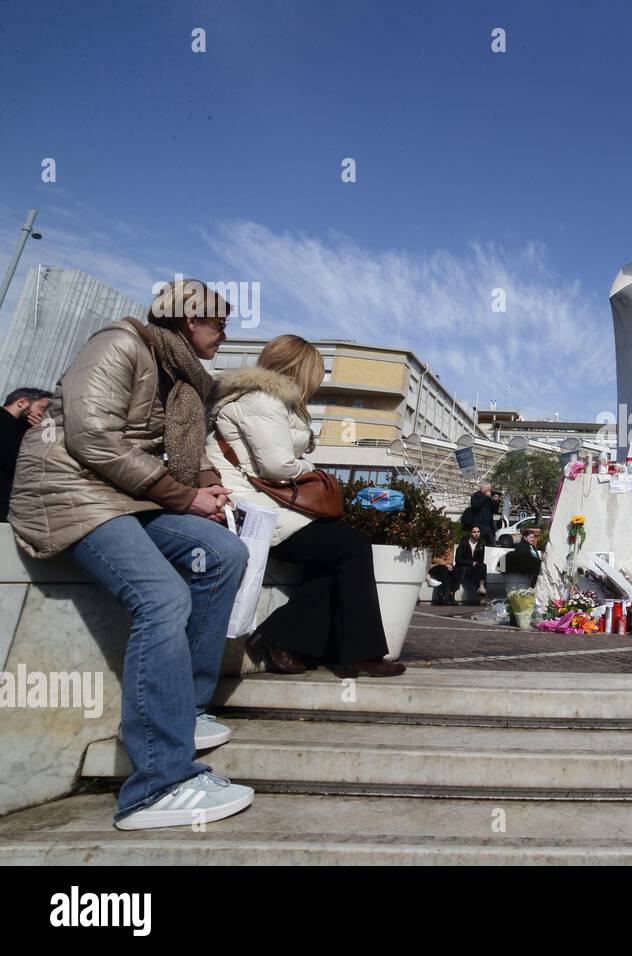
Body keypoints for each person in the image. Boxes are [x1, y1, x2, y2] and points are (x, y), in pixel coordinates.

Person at [7, 278, 253, 831]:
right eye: (221, 323)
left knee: (222, 553)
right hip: (69, 492)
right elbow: (91, 437)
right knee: (162, 597)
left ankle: (182, 711)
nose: (225, 334)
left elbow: (186, 447)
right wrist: (183, 496)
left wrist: (206, 488)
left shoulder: (183, 375)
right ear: (191, 320)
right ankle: (156, 785)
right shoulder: (119, 343)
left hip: (123, 497)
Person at [208, 335, 404, 678]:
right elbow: (277, 466)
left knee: (338, 558)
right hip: (256, 511)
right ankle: (361, 651)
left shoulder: (266, 401)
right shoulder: (263, 400)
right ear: (300, 370)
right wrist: (312, 471)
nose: (318, 381)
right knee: (352, 546)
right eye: (317, 372)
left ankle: (284, 638)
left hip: (266, 505)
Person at [1, 387, 52, 521]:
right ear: (22, 402)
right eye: (43, 409)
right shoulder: (5, 423)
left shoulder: (21, 432)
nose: (44, 416)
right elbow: (25, 469)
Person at [455, 525, 488, 602]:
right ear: (470, 533)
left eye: (478, 532)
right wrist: (471, 563)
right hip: (464, 569)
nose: (477, 534)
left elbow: (481, 560)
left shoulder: (481, 544)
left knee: (483, 565)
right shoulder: (463, 543)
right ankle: (482, 591)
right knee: (481, 568)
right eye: (474, 532)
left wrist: (476, 564)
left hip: (475, 569)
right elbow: (458, 560)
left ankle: (481, 587)